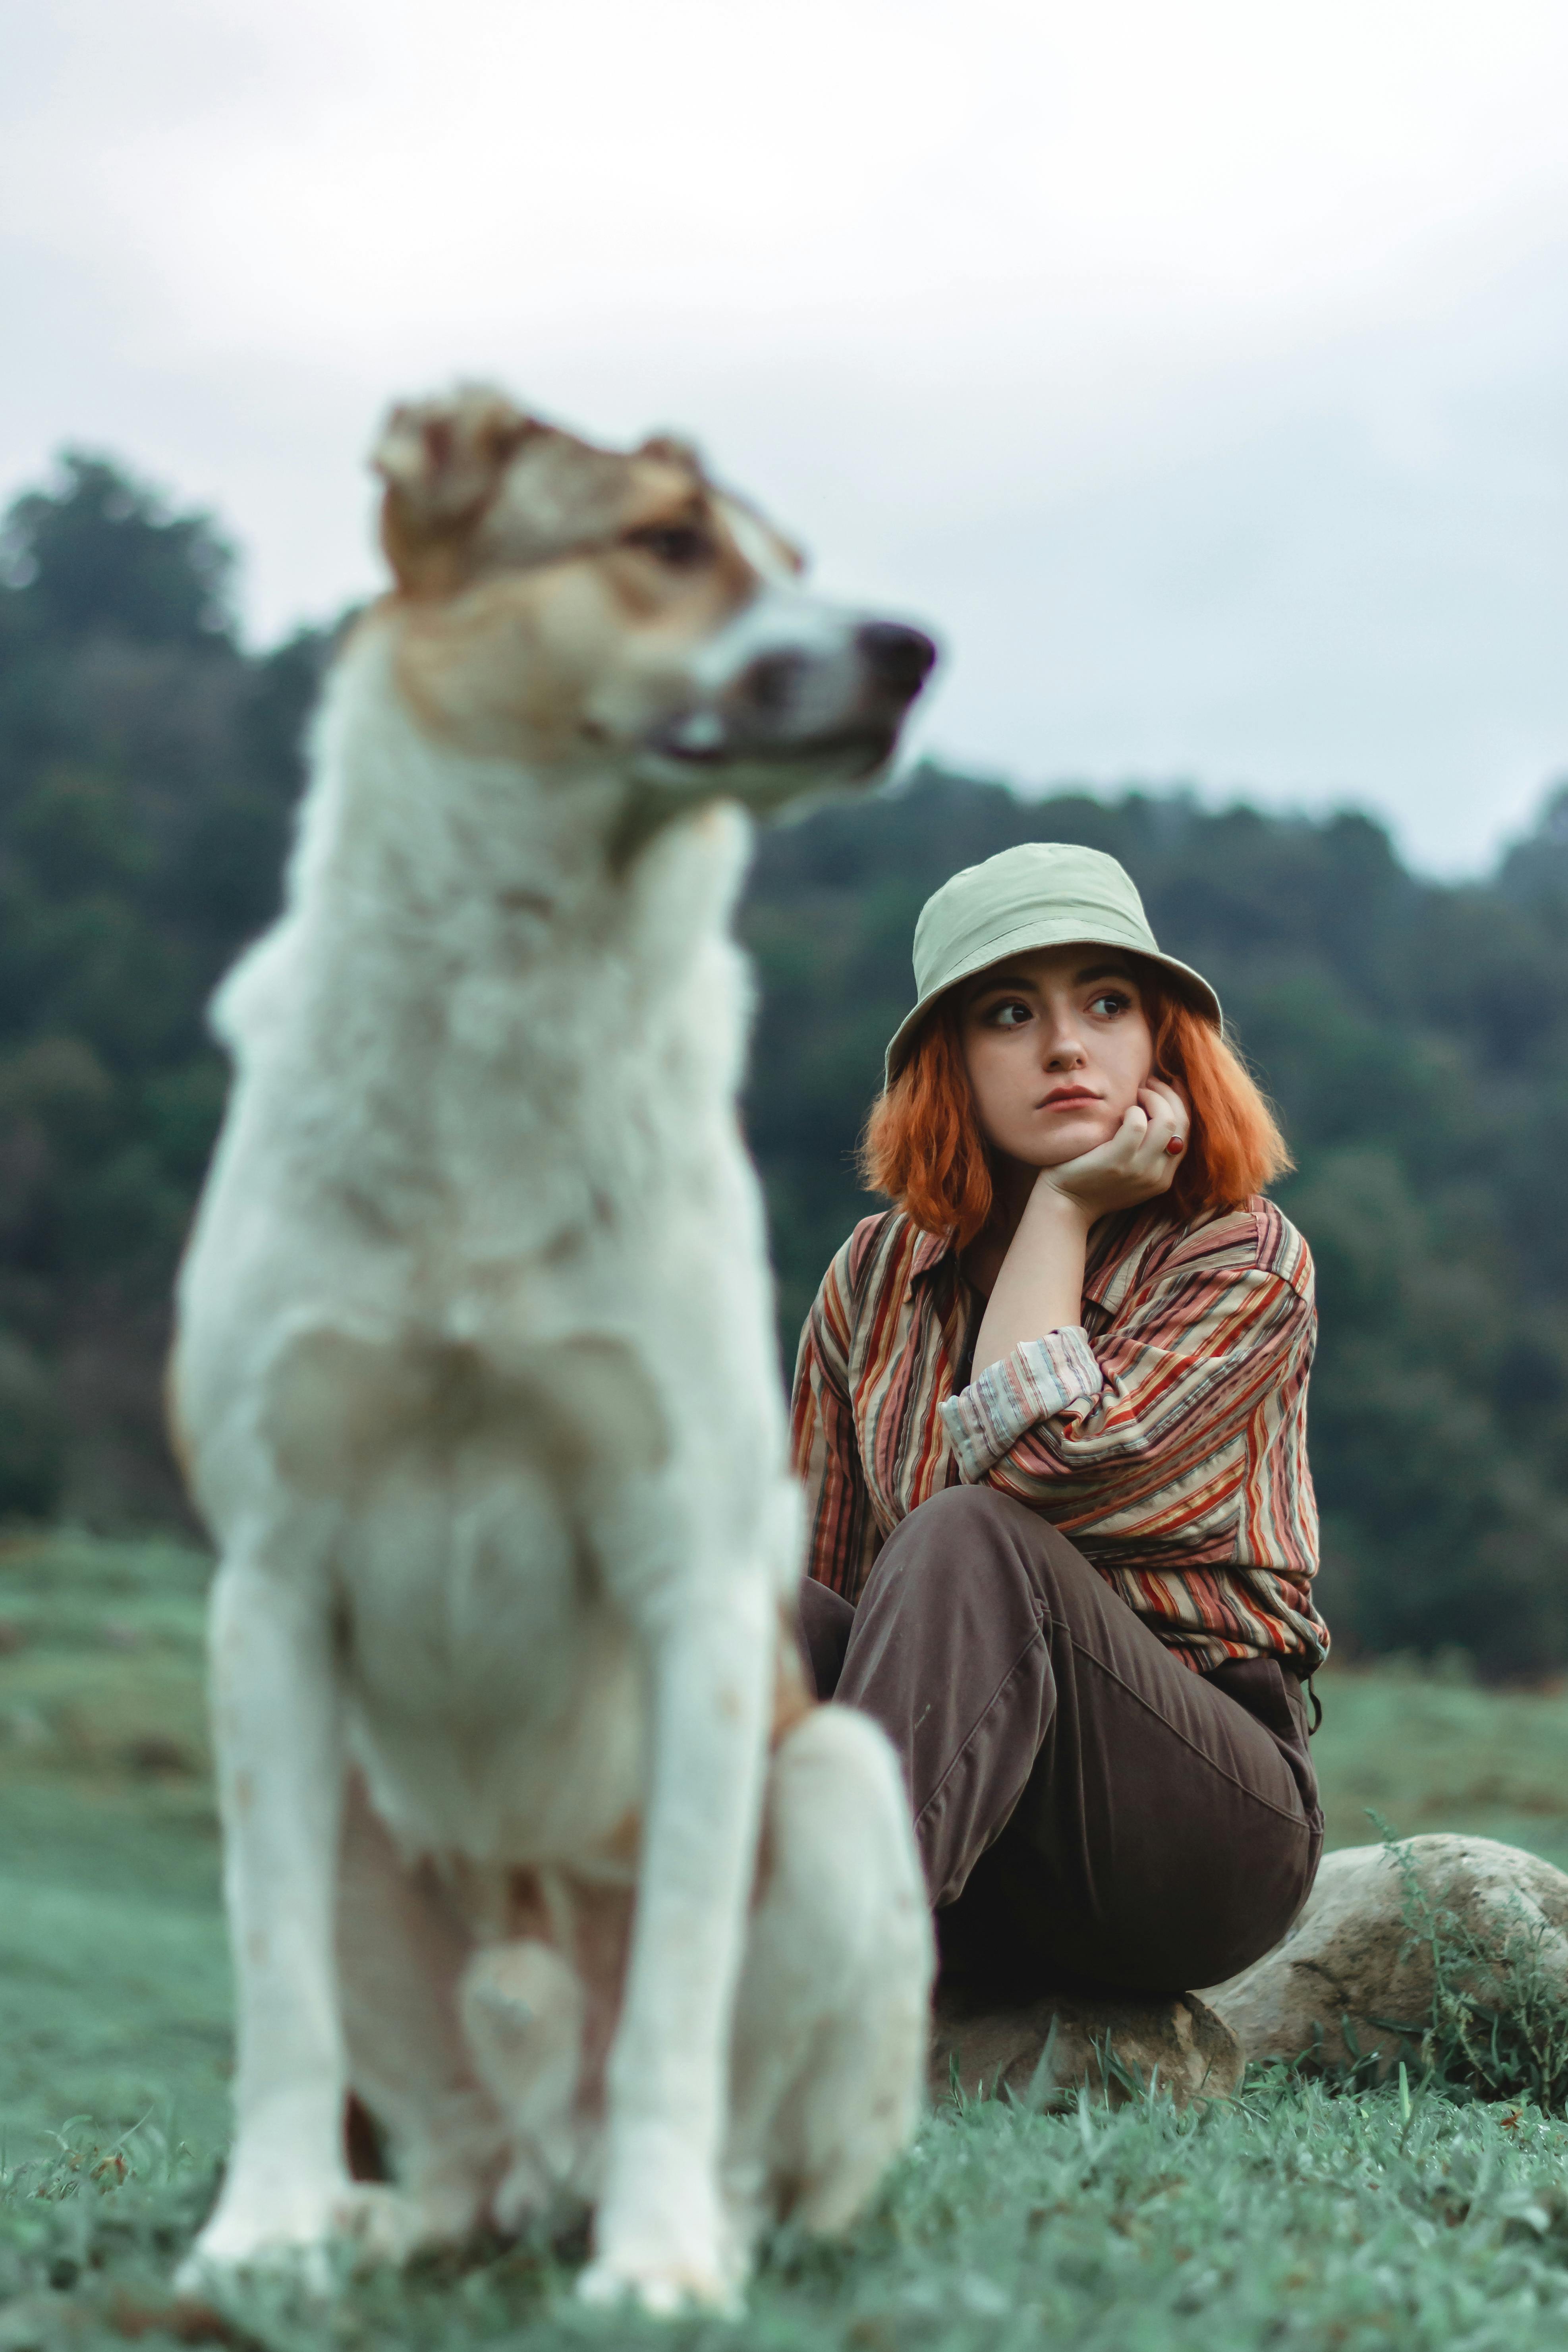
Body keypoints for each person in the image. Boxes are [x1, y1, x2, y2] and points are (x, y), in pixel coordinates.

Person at [791, 842, 1327, 2001]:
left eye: (1104, 1001)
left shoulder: (1239, 1256)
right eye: (1006, 1012)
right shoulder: (873, 1278)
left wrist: (1067, 1205)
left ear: (1160, 1040)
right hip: (955, 1827)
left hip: (1182, 1836)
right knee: (733, 1597)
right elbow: (824, 1589)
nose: (1064, 1046)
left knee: (969, 1529)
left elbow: (1030, 1466)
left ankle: (813, 1986)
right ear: (953, 1060)